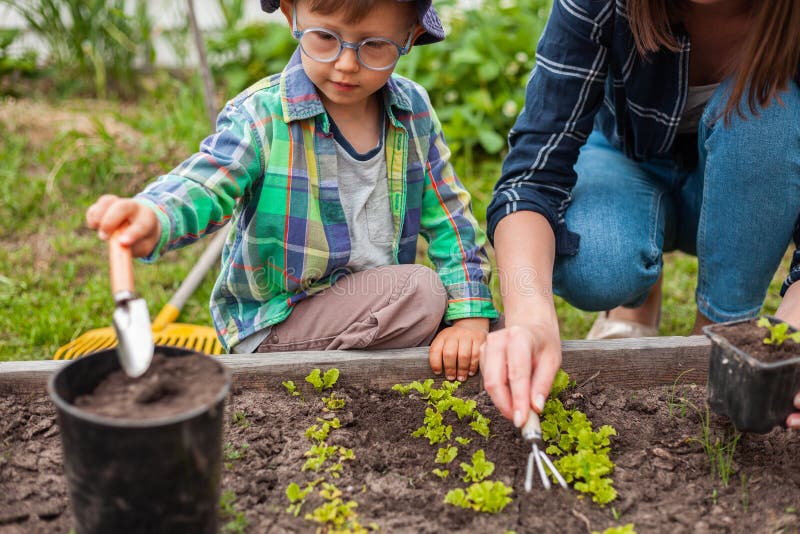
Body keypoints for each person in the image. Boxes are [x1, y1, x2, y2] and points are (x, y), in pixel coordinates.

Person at [86, 0, 498, 382]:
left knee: (495, 322)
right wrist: (156, 214)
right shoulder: (263, 115)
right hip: (281, 319)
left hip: (369, 303)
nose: (346, 64)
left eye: (374, 45)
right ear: (292, 16)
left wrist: (471, 318)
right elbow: (207, 182)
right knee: (422, 293)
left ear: (408, 36)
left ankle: (392, 350)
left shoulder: (413, 112)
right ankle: (333, 380)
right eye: (325, 38)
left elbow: (450, 219)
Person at [481, 0, 800, 429]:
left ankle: (718, 332)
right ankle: (637, 293)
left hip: (748, 178)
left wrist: (792, 340)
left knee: (764, 108)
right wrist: (529, 319)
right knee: (597, 264)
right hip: (624, 158)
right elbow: (531, 180)